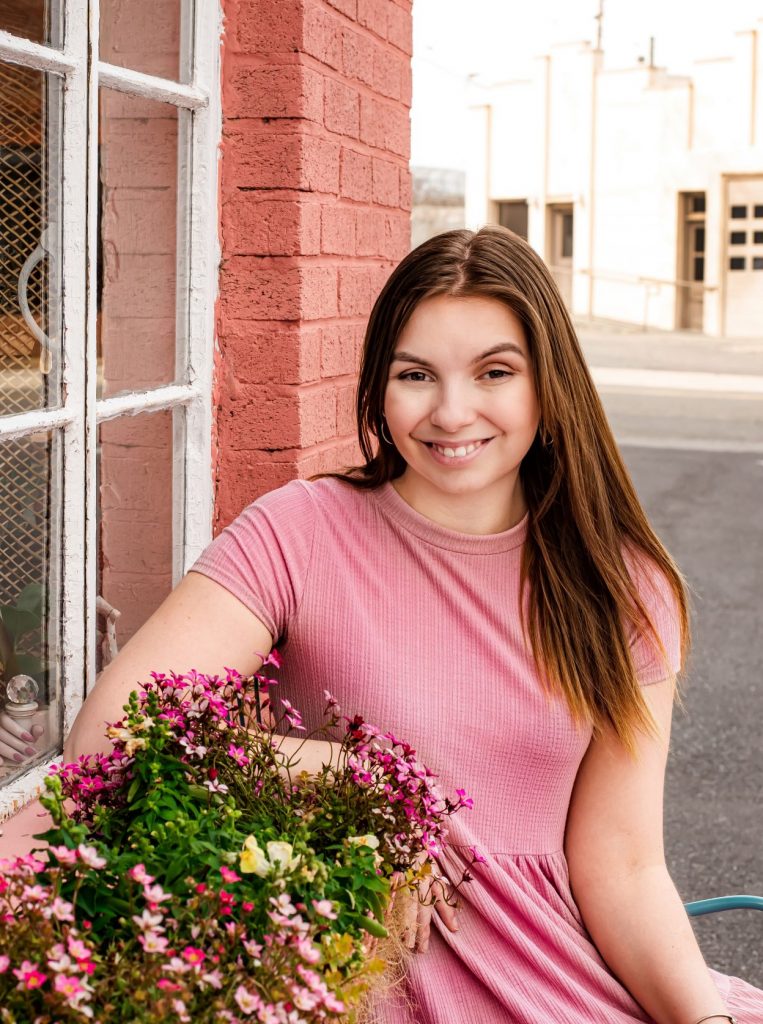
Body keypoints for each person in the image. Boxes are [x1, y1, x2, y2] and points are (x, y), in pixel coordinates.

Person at [2, 226, 761, 1023]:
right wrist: (358, 780)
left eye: (494, 372)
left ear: (549, 386)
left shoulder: (621, 582)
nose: (451, 410)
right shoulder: (299, 531)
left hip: (549, 980)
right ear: (377, 387)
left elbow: (624, 864)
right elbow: (112, 733)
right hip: (347, 975)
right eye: (415, 375)